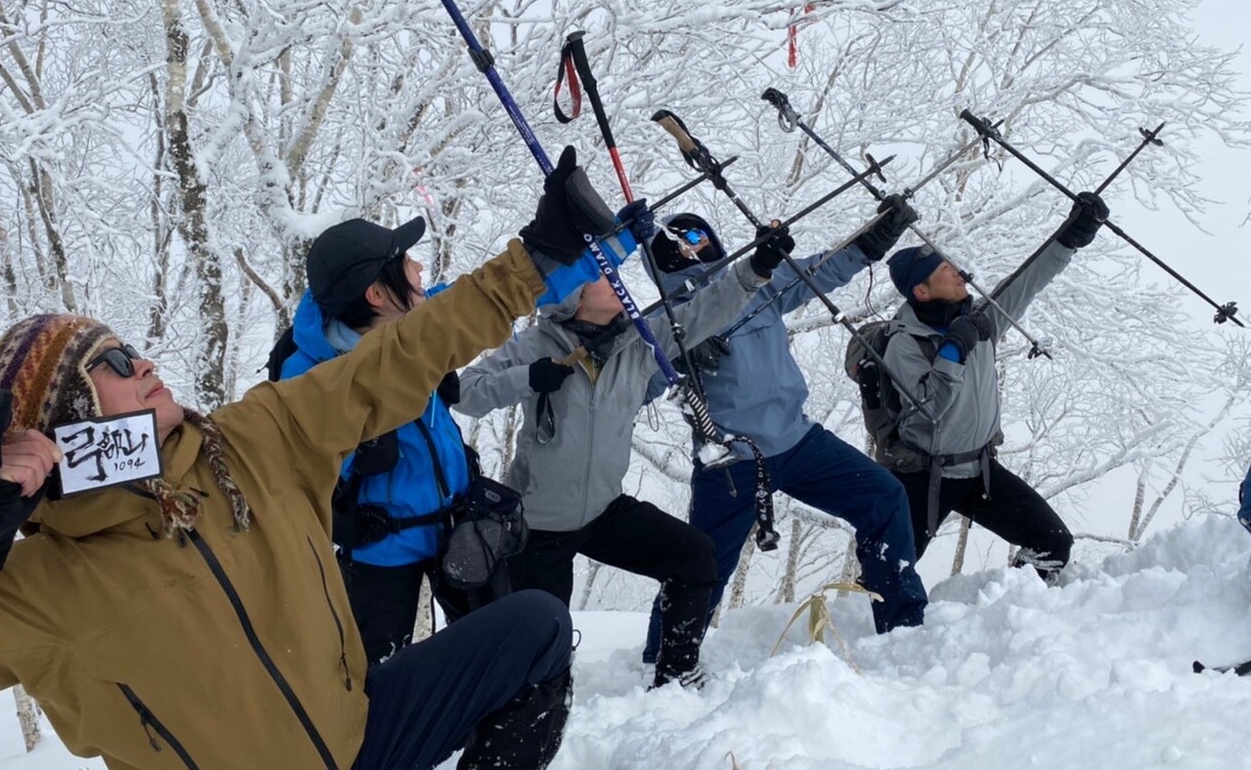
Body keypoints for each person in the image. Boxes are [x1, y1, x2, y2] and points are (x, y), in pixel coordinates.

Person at [0, 149, 611, 770]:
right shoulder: (30, 590)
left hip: (360, 739)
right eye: (117, 366)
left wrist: (532, 262)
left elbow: (398, 357)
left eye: (135, 350)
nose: (147, 365)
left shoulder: (253, 441)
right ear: (67, 417)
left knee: (536, 627)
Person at [271, 206, 644, 664]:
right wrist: (358, 447)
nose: (419, 267)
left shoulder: (420, 329)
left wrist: (616, 246)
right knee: (372, 682)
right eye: (406, 263)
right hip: (383, 555)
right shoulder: (307, 376)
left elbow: (508, 296)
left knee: (498, 664)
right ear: (376, 294)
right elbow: (302, 476)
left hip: (460, 530)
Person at [453, 218, 796, 688]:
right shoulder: (534, 346)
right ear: (571, 296)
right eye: (597, 275)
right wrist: (527, 378)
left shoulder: (639, 341)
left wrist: (756, 267)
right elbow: (465, 392)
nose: (613, 280)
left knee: (696, 559)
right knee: (543, 646)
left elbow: (703, 313)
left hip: (604, 511)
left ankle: (675, 676)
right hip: (538, 525)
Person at [642, 197, 928, 666]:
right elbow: (636, 382)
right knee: (702, 565)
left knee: (884, 496)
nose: (693, 247)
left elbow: (818, 271)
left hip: (797, 441)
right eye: (678, 243)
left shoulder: (753, 284)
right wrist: (678, 354)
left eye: (699, 237)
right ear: (662, 260)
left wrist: (874, 240)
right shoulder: (665, 324)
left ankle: (904, 626)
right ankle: (662, 658)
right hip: (730, 461)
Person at [878, 191, 1111, 580]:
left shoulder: (980, 322)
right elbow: (930, 411)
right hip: (923, 476)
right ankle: (876, 637)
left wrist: (1070, 237)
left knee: (1052, 542)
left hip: (979, 470)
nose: (958, 273)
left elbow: (1025, 283)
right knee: (890, 573)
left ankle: (1013, 603)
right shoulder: (903, 342)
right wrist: (952, 351)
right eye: (945, 271)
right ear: (921, 291)